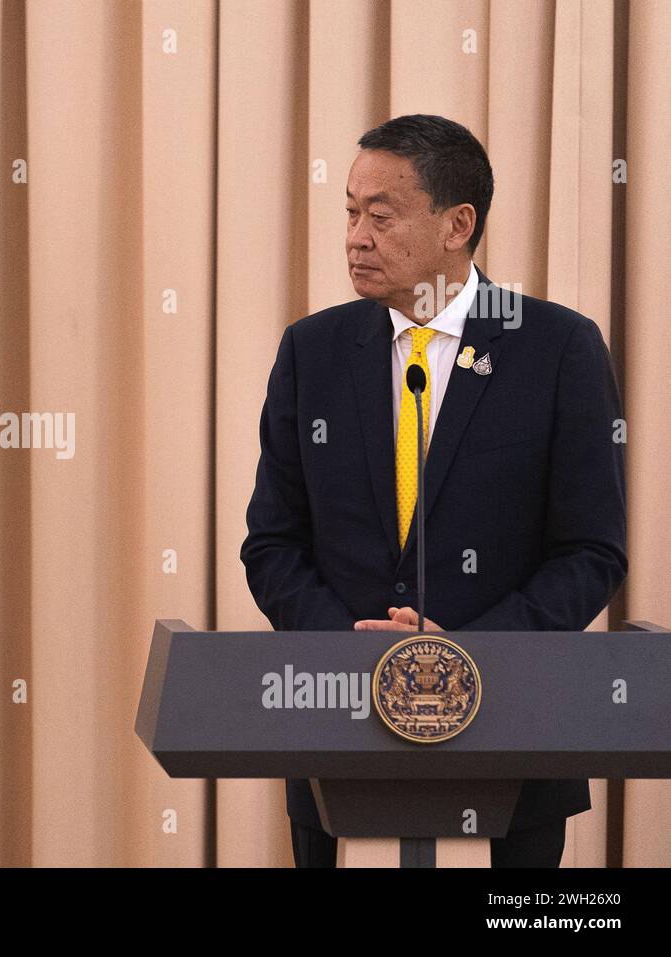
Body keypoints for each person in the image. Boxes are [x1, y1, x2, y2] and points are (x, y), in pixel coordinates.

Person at [240, 114, 627, 868]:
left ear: (459, 224)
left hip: (515, 744)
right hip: (338, 735)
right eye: (350, 212)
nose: (355, 236)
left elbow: (590, 551)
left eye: (379, 217)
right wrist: (355, 653)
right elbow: (272, 543)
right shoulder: (312, 352)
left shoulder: (558, 349)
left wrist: (465, 660)